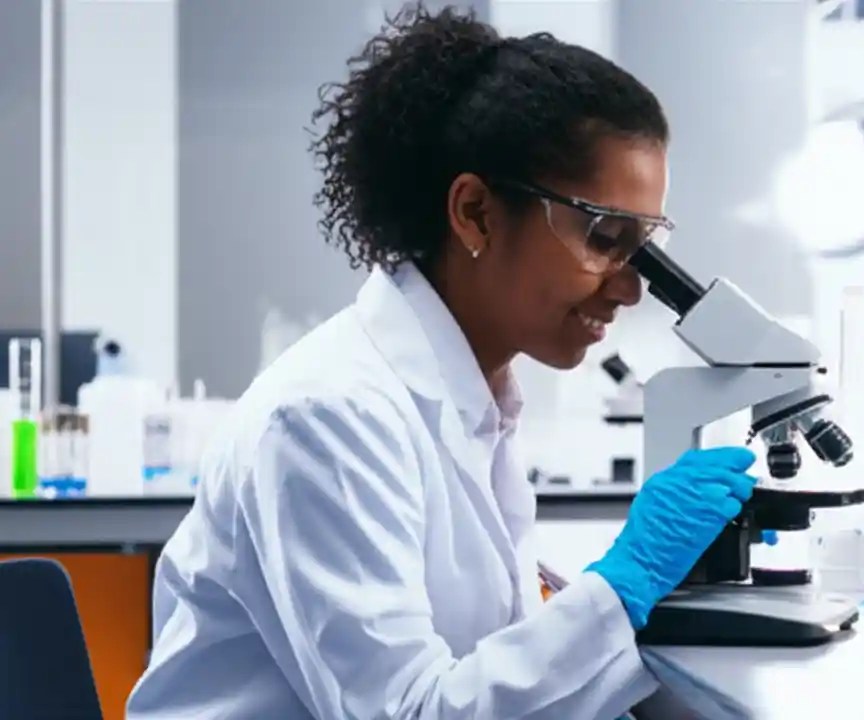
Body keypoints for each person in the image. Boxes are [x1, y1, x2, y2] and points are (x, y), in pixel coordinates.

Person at [126, 5, 759, 720]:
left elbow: (489, 666)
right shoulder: (328, 416)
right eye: (605, 237)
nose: (630, 286)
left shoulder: (475, 401)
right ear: (476, 213)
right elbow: (413, 712)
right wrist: (624, 585)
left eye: (642, 247)